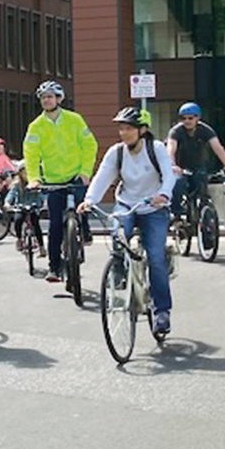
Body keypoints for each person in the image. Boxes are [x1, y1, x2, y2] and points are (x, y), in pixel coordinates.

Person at [83, 108, 180, 336]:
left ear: (142, 130)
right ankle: (120, 269)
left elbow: (169, 175)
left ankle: (162, 312)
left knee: (155, 257)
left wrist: (163, 194)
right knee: (118, 233)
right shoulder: (116, 152)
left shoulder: (156, 148)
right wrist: (89, 200)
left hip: (154, 207)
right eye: (121, 128)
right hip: (127, 203)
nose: (124, 133)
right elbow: (102, 177)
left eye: (129, 128)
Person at [23, 82, 99, 283]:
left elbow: (89, 145)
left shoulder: (75, 120)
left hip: (76, 176)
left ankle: (84, 228)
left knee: (82, 207)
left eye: (50, 96)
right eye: (43, 97)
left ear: (59, 99)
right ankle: (54, 268)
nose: (46, 100)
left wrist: (85, 172)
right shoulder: (36, 126)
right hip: (53, 181)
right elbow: (31, 155)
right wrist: (34, 178)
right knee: (55, 224)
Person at [165, 103, 225, 228]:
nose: (187, 121)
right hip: (180, 168)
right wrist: (172, 165)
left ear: (198, 118)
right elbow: (171, 148)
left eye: (190, 118)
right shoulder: (176, 131)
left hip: (198, 166)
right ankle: (176, 215)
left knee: (201, 184)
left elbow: (217, 147)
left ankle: (203, 212)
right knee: (178, 184)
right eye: (183, 118)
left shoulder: (205, 130)